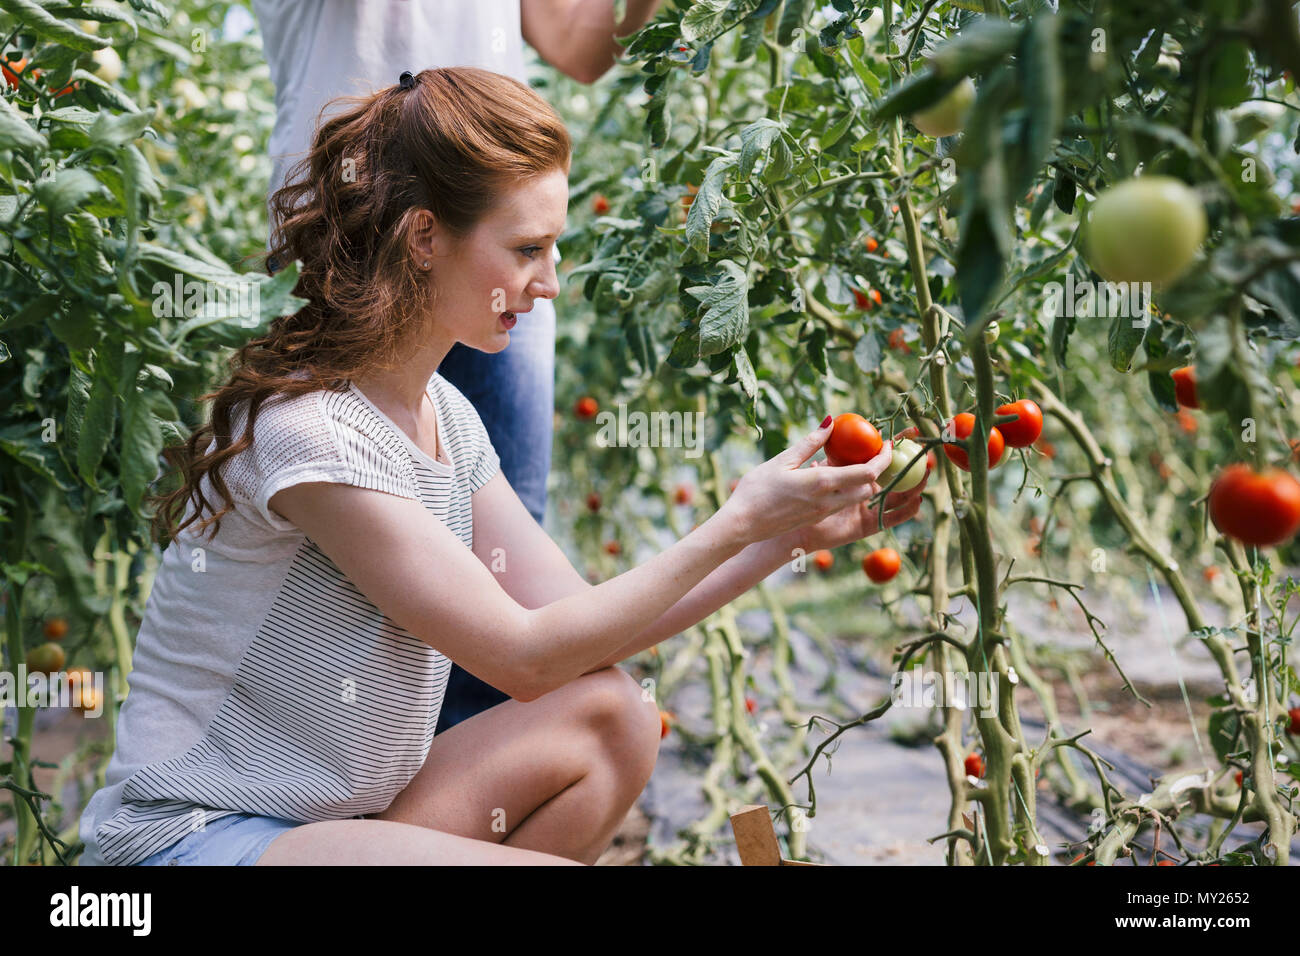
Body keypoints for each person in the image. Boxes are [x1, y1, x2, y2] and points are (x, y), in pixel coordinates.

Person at [75, 67, 924, 866]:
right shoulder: (314, 434)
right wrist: (738, 516)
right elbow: (522, 658)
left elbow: (581, 629)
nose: (550, 283)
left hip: (334, 827)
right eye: (527, 250)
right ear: (424, 238)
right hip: (195, 837)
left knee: (614, 717)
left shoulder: (445, 416)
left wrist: (783, 537)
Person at [250, 0, 665, 733]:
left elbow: (583, 47)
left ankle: (457, 799)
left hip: (500, 233)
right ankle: (336, 801)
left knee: (508, 579)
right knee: (368, 582)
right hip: (353, 239)